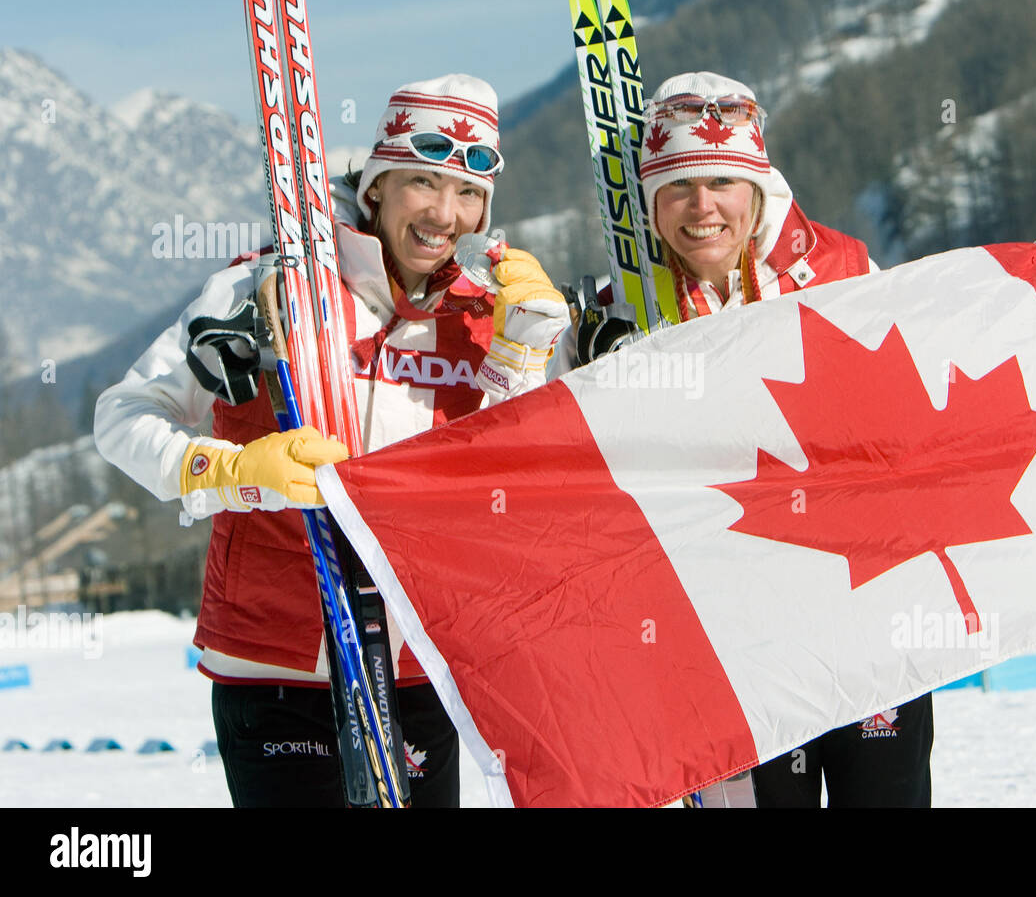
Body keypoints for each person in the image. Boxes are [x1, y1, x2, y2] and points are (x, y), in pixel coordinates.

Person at [94, 74, 569, 807]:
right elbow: (124, 416)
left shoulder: (491, 319)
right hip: (274, 662)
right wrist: (231, 471)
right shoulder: (267, 288)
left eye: (469, 193)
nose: (446, 213)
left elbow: (512, 495)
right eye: (422, 181)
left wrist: (520, 362)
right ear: (376, 187)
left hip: (418, 661)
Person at [637, 71, 933, 807]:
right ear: (650, 203)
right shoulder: (624, 305)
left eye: (721, 182)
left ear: (757, 187)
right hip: (735, 648)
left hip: (869, 619)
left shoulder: (846, 272)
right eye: (677, 188)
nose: (701, 207)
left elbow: (927, 410)